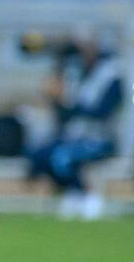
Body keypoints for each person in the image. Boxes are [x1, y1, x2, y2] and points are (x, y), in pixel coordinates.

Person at [25, 35, 122, 219]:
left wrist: (73, 107)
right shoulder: (75, 73)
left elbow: (101, 112)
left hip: (100, 139)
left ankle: (87, 195)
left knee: (61, 157)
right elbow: (65, 114)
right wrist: (54, 99)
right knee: (38, 155)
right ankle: (73, 192)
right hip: (74, 137)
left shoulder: (112, 76)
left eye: (89, 46)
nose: (85, 52)